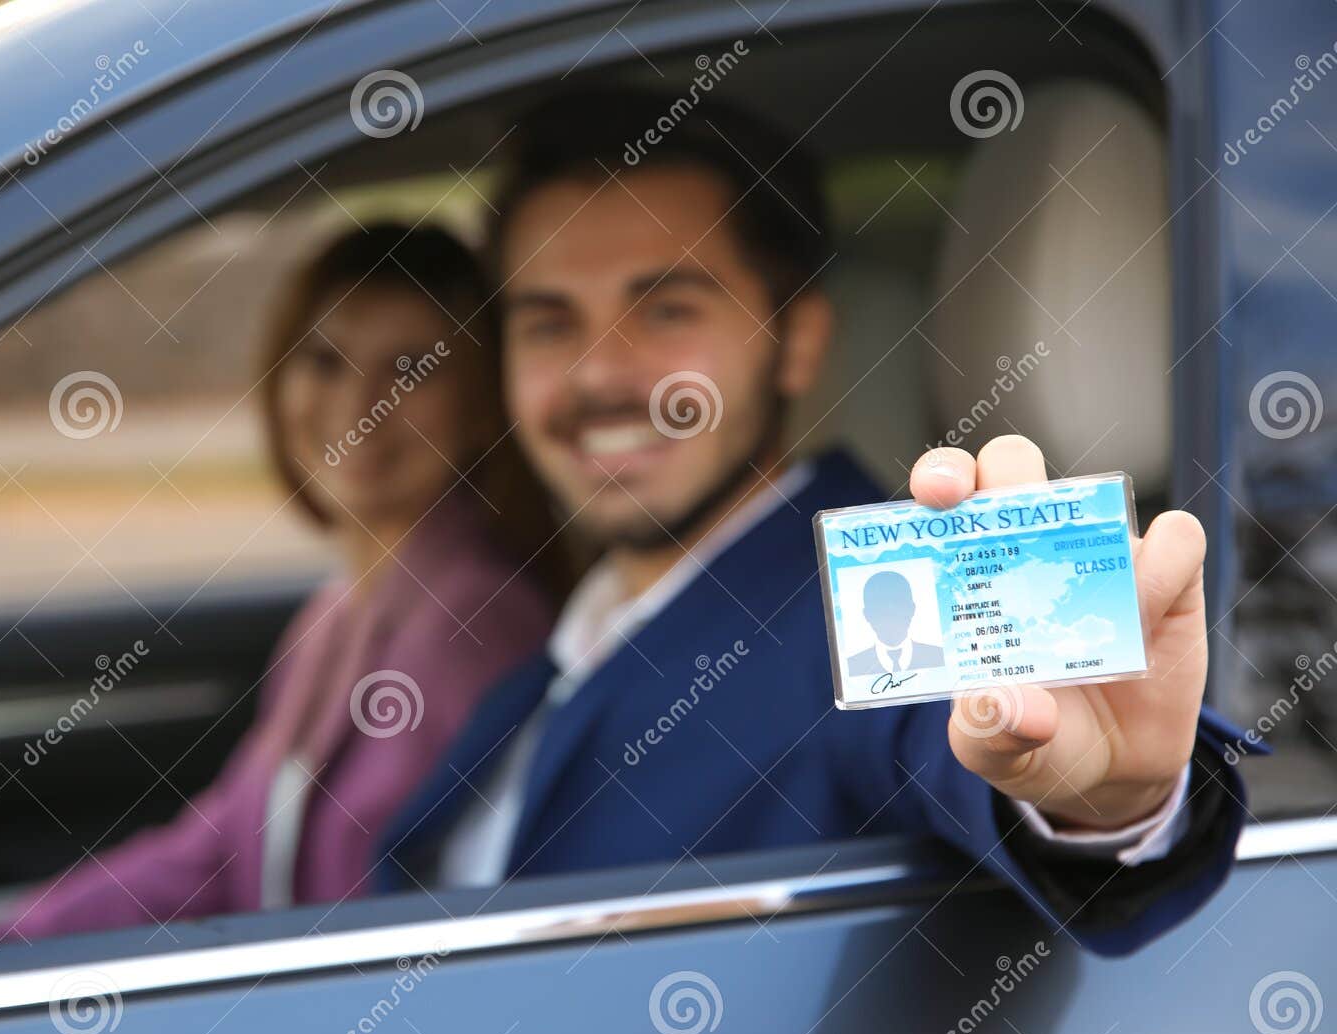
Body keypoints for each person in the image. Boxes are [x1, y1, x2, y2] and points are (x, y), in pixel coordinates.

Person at [374, 89, 1264, 955]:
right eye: (547, 322)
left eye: (667, 309)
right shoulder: (570, 631)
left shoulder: (881, 598)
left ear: (797, 339)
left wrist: (1111, 801)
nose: (598, 374)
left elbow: (973, 734)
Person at [0, 225, 561, 941]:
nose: (359, 405)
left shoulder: (477, 627)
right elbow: (218, 850)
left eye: (410, 370)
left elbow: (419, 935)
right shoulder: (333, 614)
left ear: (479, 410)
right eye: (324, 360)